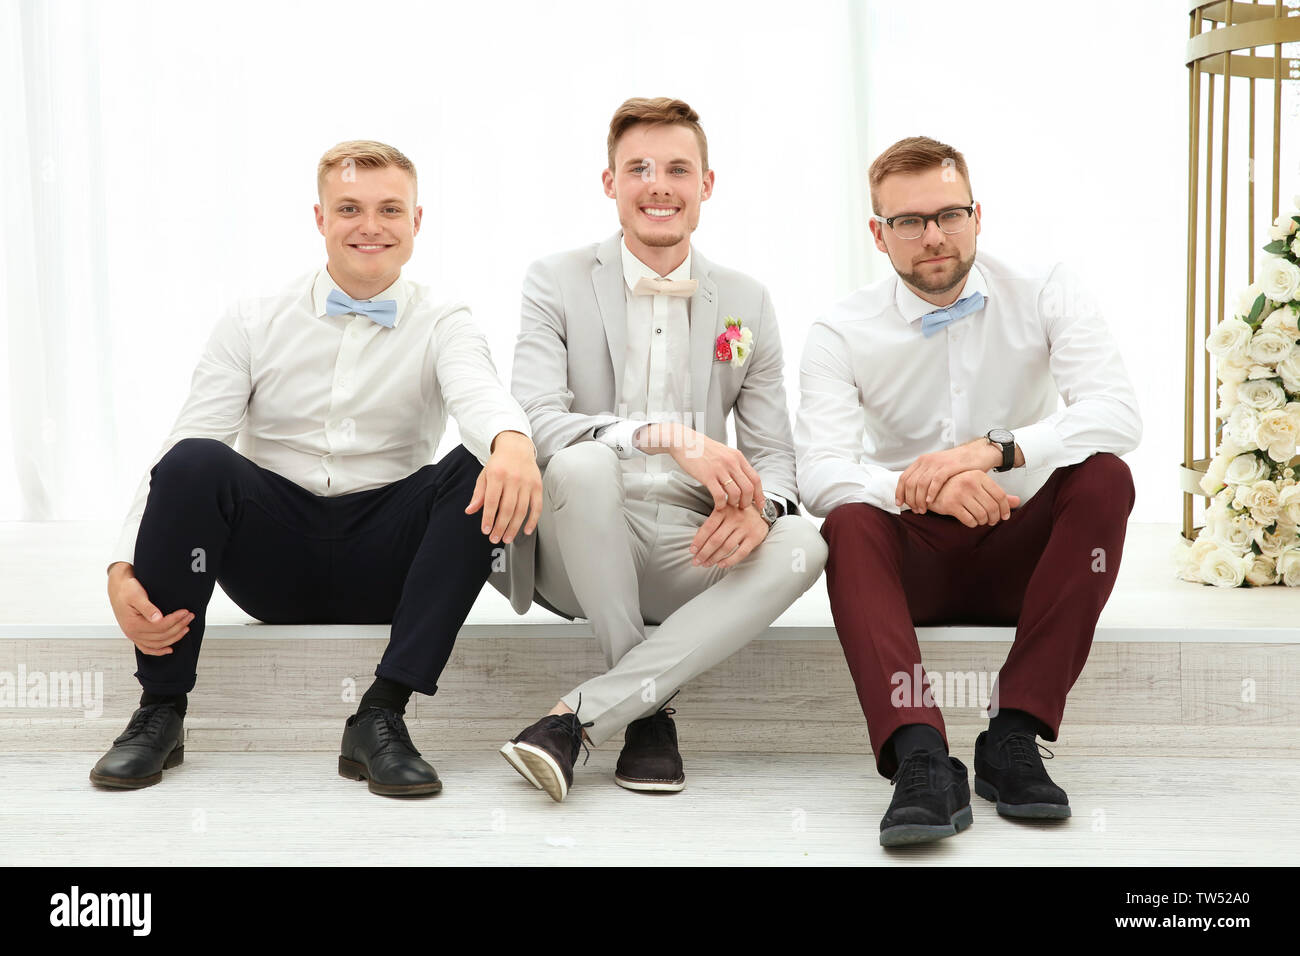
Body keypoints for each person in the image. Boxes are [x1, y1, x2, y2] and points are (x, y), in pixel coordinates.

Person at [95, 140, 541, 796]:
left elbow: (480, 395)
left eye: (390, 209)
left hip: (387, 556)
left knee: (486, 459)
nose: (370, 225)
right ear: (320, 218)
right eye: (350, 208)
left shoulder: (446, 320)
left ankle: (380, 715)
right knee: (195, 459)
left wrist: (514, 443)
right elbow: (187, 438)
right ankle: (161, 710)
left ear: (416, 222)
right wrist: (120, 566)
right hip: (273, 555)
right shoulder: (252, 318)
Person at [794, 135, 1141, 846]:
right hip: (911, 559)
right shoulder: (839, 329)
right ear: (877, 234)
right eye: (908, 222)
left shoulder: (1045, 287)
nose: (933, 236)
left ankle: (1014, 735)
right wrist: (923, 489)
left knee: (1107, 475)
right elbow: (821, 472)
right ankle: (919, 753)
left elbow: (1117, 412)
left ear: (978, 214)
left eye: (949, 214)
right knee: (849, 522)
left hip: (1022, 548)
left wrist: (995, 450)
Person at [490, 97, 827, 802]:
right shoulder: (553, 280)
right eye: (638, 168)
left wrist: (762, 510)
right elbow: (538, 423)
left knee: (808, 544)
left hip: (692, 545)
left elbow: (776, 458)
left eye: (677, 168)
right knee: (581, 461)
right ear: (610, 182)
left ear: (706, 184)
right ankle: (646, 715)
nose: (658, 185)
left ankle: (585, 717)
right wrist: (663, 436)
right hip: (574, 545)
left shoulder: (746, 300)